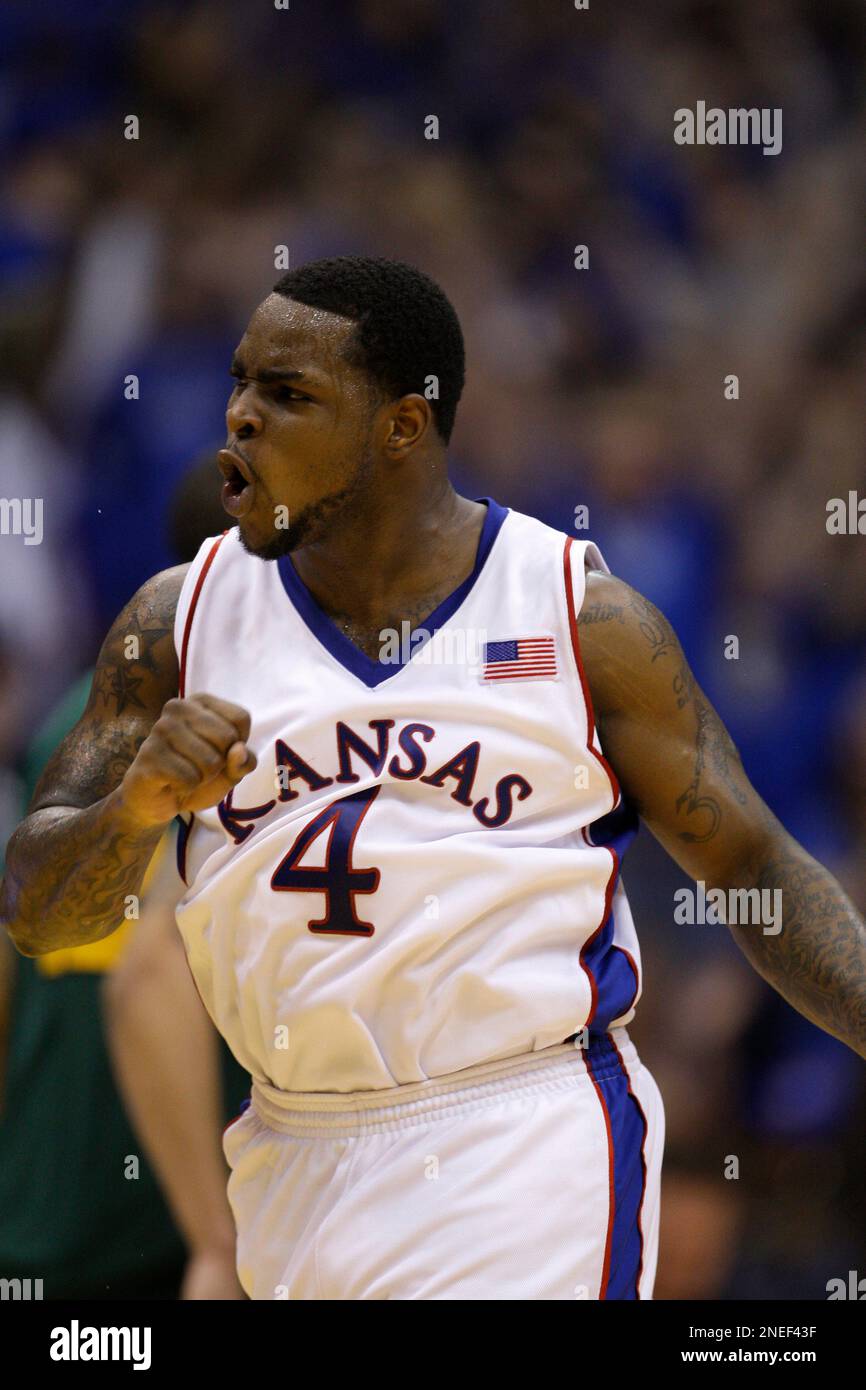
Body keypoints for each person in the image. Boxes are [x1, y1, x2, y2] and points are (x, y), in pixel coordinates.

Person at [2, 256, 864, 1301]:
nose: (238, 417)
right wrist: (135, 805)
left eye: (287, 395)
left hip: (521, 1134)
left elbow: (752, 860)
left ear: (402, 426)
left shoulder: (573, 618)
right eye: (239, 382)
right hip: (289, 1152)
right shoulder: (171, 624)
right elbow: (35, 912)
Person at [0, 454, 249, 1300]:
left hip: (41, 1199)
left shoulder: (72, 716)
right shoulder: (218, 729)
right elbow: (147, 977)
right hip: (173, 1225)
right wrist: (216, 1242)